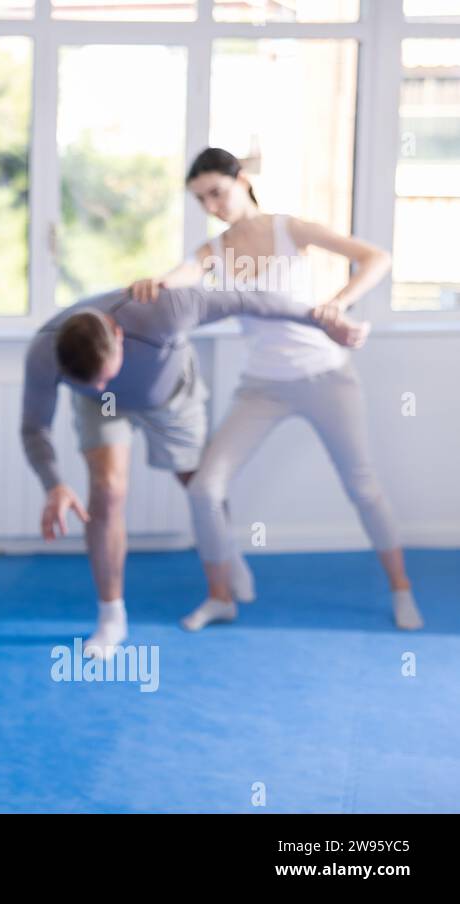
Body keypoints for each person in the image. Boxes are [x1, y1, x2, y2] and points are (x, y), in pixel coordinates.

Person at [130, 147, 423, 632]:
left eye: (217, 192)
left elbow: (377, 257)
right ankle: (221, 595)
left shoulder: (290, 229)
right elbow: (178, 279)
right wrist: (155, 283)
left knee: (363, 487)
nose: (212, 206)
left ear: (241, 180)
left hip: (325, 377)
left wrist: (338, 303)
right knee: (205, 488)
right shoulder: (213, 252)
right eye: (201, 199)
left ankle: (401, 589)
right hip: (262, 386)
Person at [20, 283, 368, 658]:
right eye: (91, 382)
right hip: (102, 410)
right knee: (106, 492)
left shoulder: (164, 310)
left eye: (106, 375)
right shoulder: (45, 351)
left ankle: (227, 552)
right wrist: (52, 484)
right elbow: (34, 428)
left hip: (170, 396)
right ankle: (111, 619)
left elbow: (247, 299)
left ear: (118, 336)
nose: (104, 385)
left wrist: (322, 321)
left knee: (200, 486)